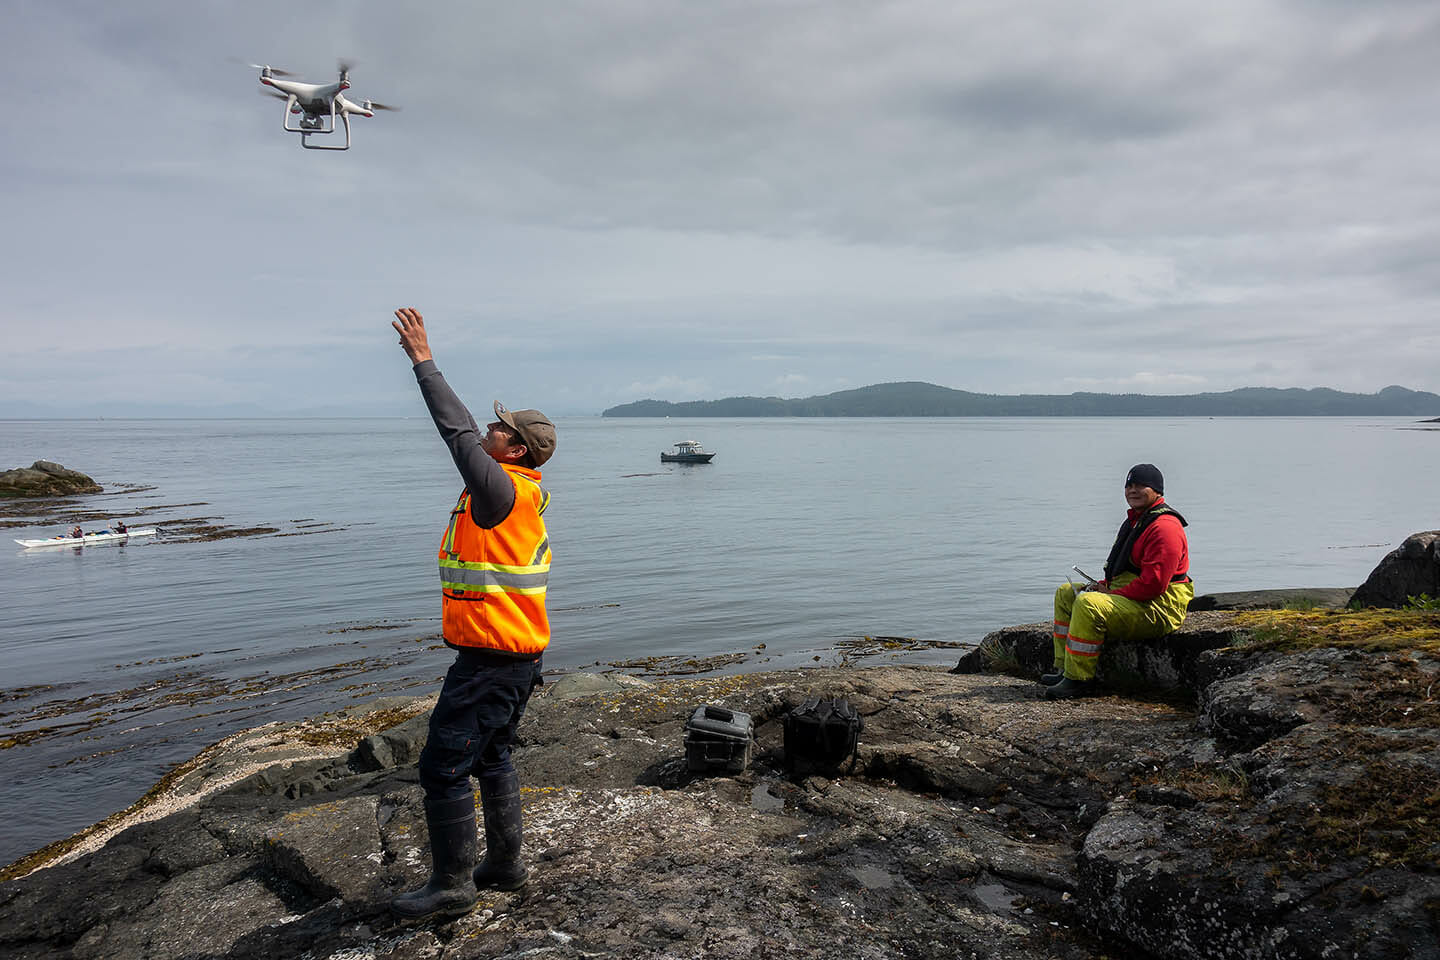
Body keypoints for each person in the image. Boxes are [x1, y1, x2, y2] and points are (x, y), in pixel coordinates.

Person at [388, 306, 558, 921]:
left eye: (499, 428)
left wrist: (423, 361)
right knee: (492, 757)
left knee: (443, 768)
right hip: (514, 657)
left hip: (490, 660)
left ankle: (452, 885)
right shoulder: (517, 493)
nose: (488, 429)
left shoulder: (500, 489)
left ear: (516, 449)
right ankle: (505, 866)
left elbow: (455, 431)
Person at [1044, 463, 1192, 700]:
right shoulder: (1137, 520)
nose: (1133, 490)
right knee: (1066, 593)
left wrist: (1109, 595)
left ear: (1157, 490)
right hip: (1135, 598)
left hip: (1159, 609)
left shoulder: (1164, 528)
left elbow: (1154, 585)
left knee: (1088, 604)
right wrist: (1103, 585)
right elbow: (1126, 569)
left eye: (1141, 485)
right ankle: (1063, 668)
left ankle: (1078, 680)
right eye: (1129, 485)